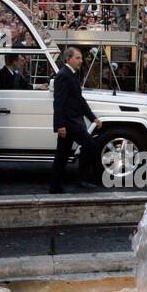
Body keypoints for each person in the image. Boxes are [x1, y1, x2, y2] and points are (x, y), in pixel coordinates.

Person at [50, 46, 102, 194]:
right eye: (78, 58)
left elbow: (79, 100)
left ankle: (58, 185)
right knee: (89, 146)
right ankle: (79, 179)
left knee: (63, 155)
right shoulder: (63, 75)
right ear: (69, 59)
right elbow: (58, 102)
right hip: (69, 123)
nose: (81, 61)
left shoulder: (72, 74)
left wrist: (93, 118)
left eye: (81, 58)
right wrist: (60, 125)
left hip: (73, 121)